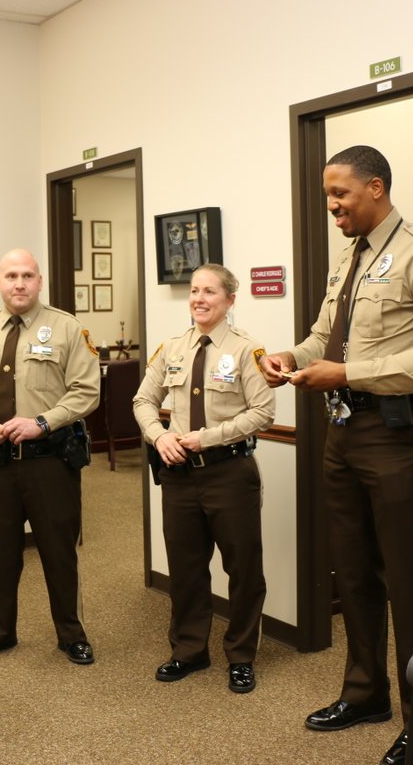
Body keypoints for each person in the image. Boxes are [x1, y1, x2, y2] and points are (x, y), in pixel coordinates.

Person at [258, 146, 413, 765]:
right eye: (328, 195)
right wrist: (292, 357)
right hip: (343, 433)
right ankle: (366, 691)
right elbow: (326, 336)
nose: (332, 206)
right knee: (351, 569)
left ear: (376, 188)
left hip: (397, 435)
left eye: (340, 194)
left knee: (404, 575)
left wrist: (349, 373)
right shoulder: (350, 257)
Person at [0, 248, 100, 666]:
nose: (19, 283)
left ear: (40, 281)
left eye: (27, 275)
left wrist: (43, 423)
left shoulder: (67, 329)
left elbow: (87, 392)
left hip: (50, 462)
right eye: (11, 276)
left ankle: (72, 634)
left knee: (59, 553)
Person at [132, 263, 275, 694]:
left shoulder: (247, 350)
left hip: (229, 473)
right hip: (179, 477)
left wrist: (207, 438)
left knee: (243, 568)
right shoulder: (172, 348)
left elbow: (264, 412)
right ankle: (189, 650)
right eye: (194, 291)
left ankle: (241, 656)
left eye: (209, 291)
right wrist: (159, 436)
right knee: (186, 567)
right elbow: (143, 400)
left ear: (230, 299)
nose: (199, 299)